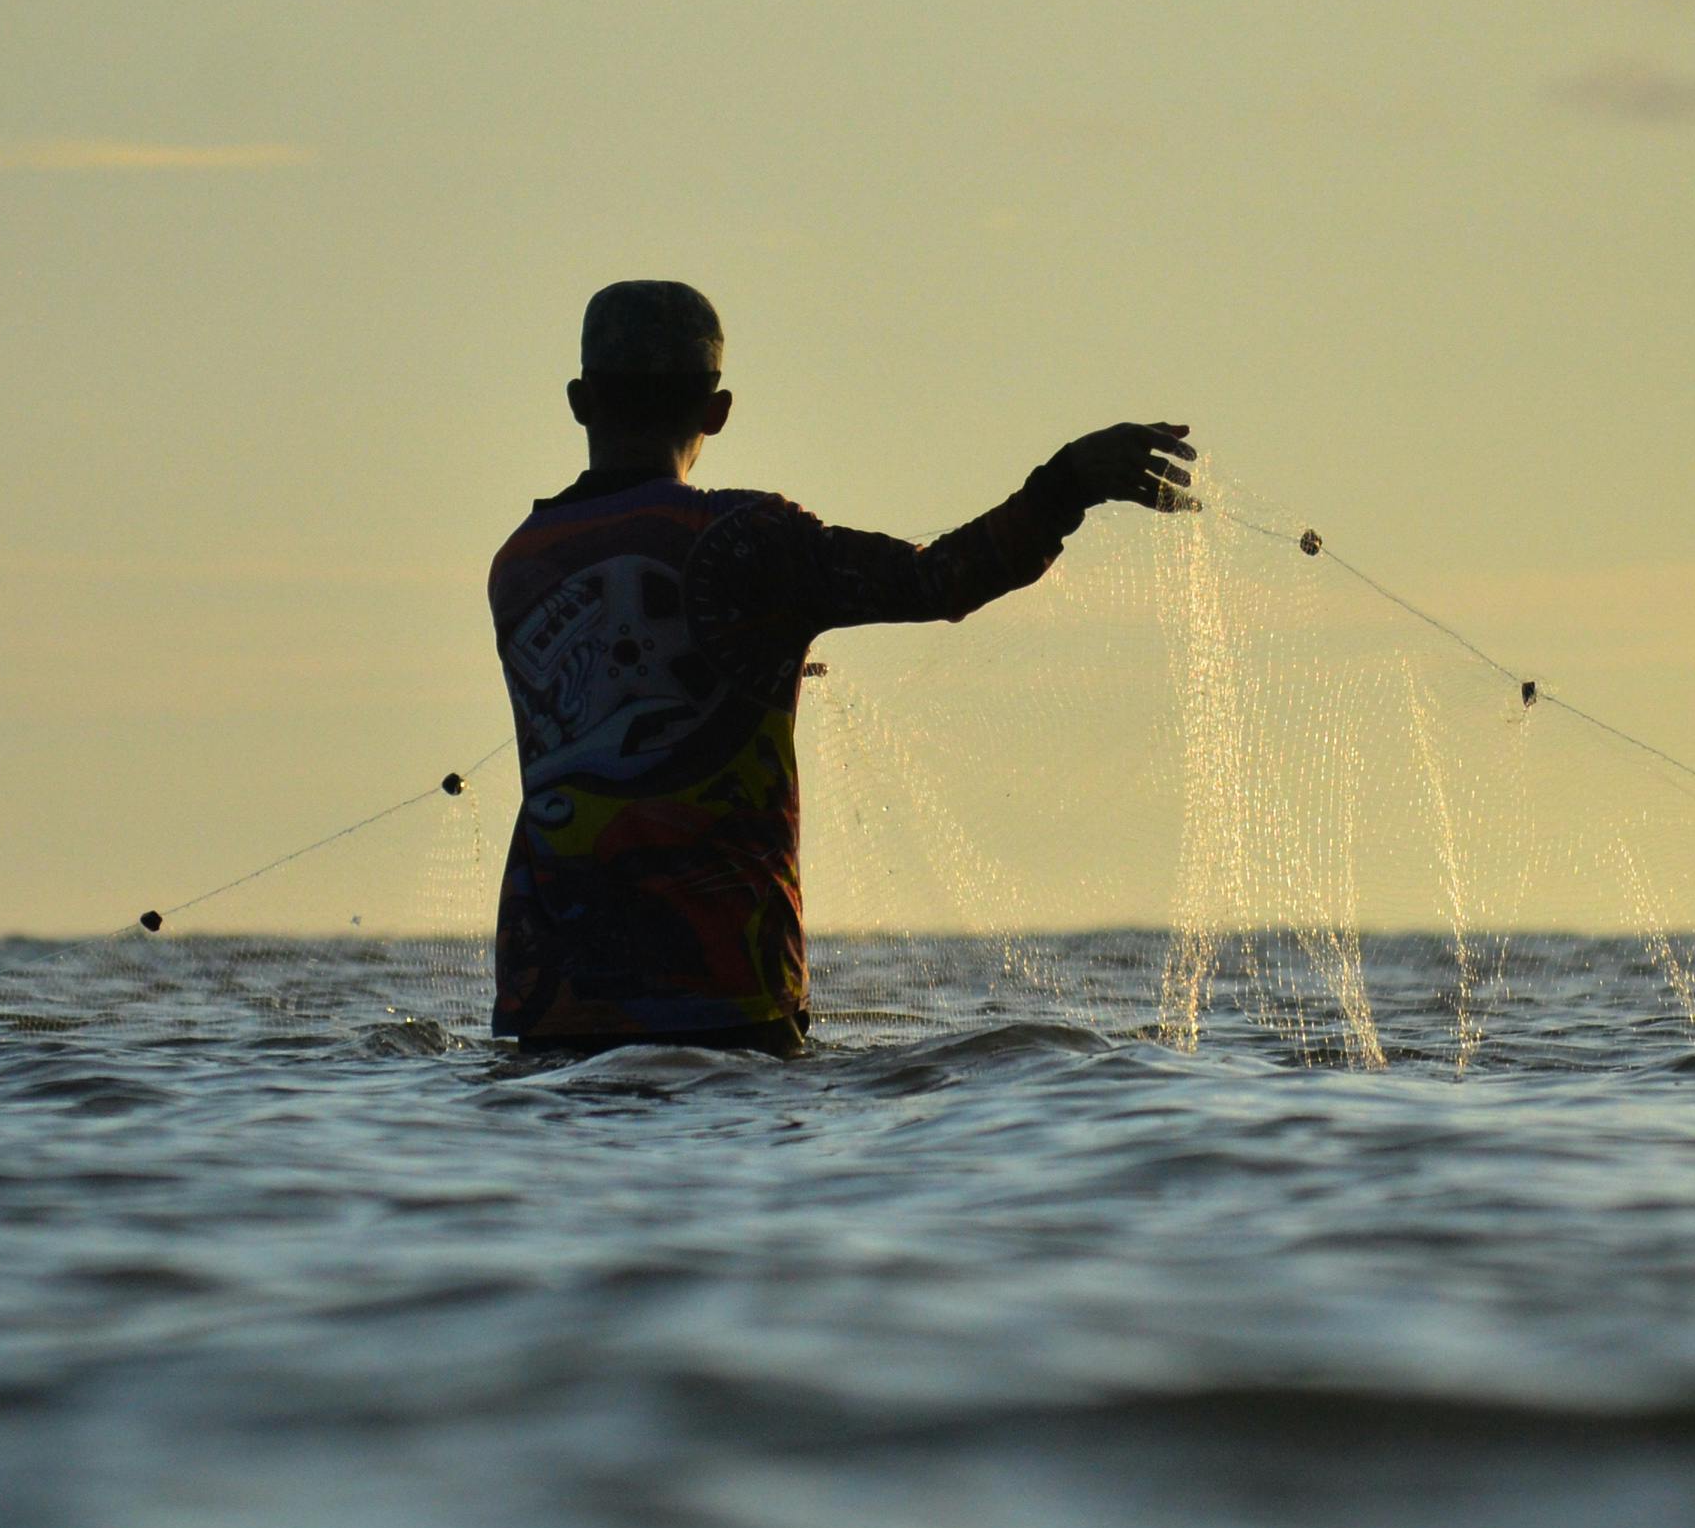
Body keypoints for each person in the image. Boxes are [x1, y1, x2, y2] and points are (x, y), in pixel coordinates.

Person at [488, 280, 1194, 1055]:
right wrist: (1067, 485)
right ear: (717, 412)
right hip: (726, 989)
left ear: (579, 401)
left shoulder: (520, 562)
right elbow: (939, 580)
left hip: (550, 998)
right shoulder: (748, 538)